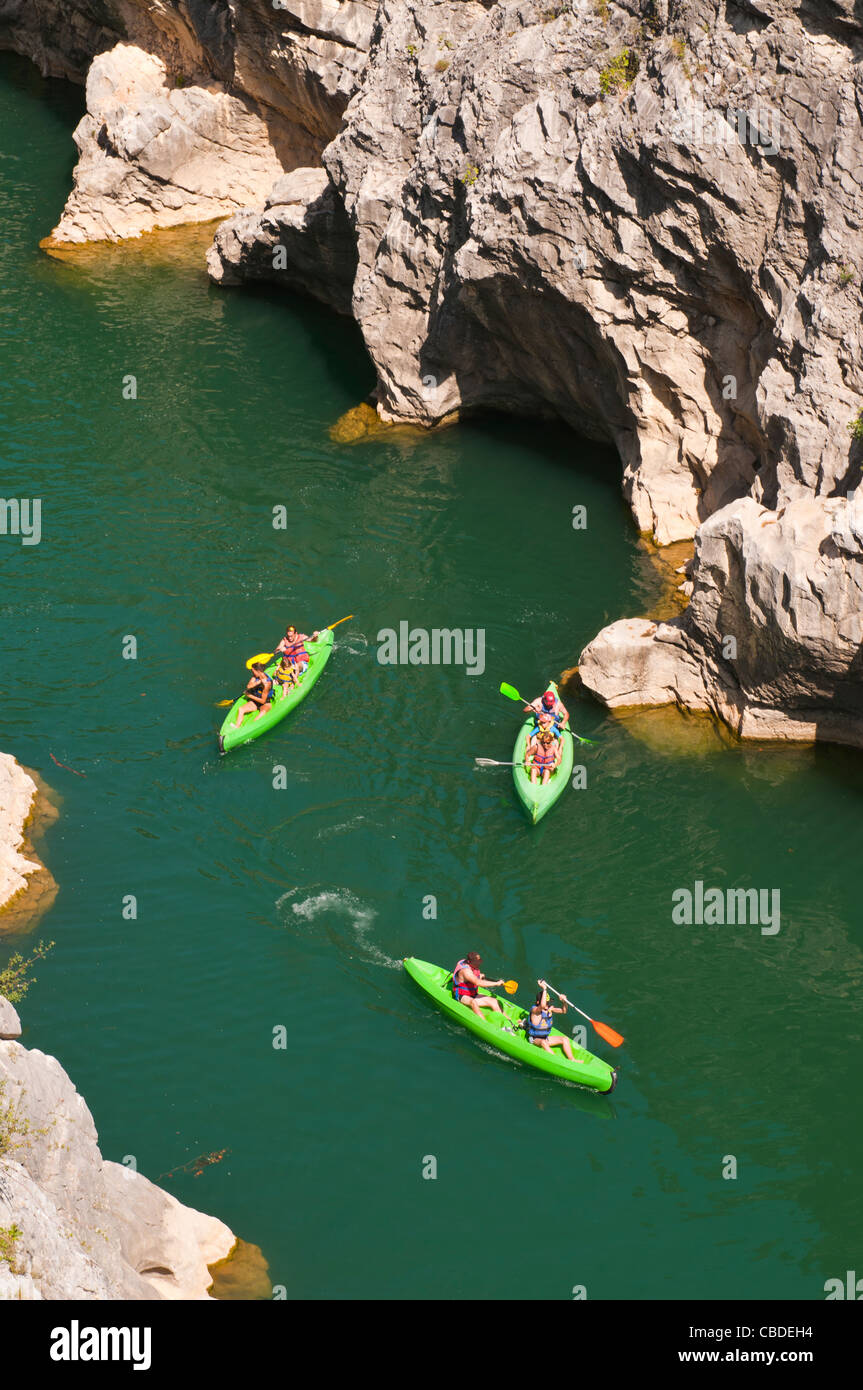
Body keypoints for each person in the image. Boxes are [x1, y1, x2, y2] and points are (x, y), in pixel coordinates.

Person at [525, 981, 579, 1062]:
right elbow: (542, 1006)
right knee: (543, 1042)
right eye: (546, 1003)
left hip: (545, 1038)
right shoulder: (535, 1011)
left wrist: (564, 1002)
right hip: (534, 1039)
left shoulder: (550, 1009)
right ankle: (557, 1061)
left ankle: (572, 1060)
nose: (547, 1005)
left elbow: (564, 1011)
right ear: (538, 1003)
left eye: (548, 1003)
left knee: (565, 1039)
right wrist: (544, 989)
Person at [450, 953, 506, 1017]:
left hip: (472, 994)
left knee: (494, 1001)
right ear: (470, 961)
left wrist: (479, 975)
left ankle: (509, 1022)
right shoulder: (465, 971)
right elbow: (477, 982)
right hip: (461, 995)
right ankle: (485, 1025)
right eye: (478, 961)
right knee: (473, 1002)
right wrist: (496, 983)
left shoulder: (468, 963)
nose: (481, 962)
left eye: (480, 959)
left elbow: (472, 976)